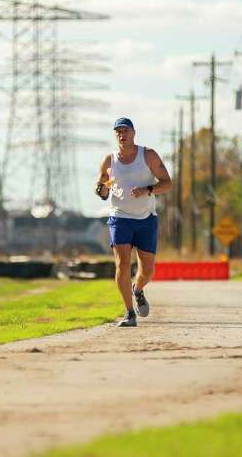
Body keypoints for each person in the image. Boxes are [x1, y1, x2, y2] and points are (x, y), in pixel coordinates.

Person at [94, 117, 172, 327]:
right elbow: (102, 189)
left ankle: (137, 290)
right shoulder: (109, 161)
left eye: (125, 130)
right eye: (118, 131)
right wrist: (102, 189)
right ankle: (129, 313)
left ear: (134, 133)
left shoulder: (148, 155)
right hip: (120, 217)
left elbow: (167, 184)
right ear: (115, 135)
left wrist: (147, 190)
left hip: (146, 218)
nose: (122, 134)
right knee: (122, 263)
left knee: (147, 270)